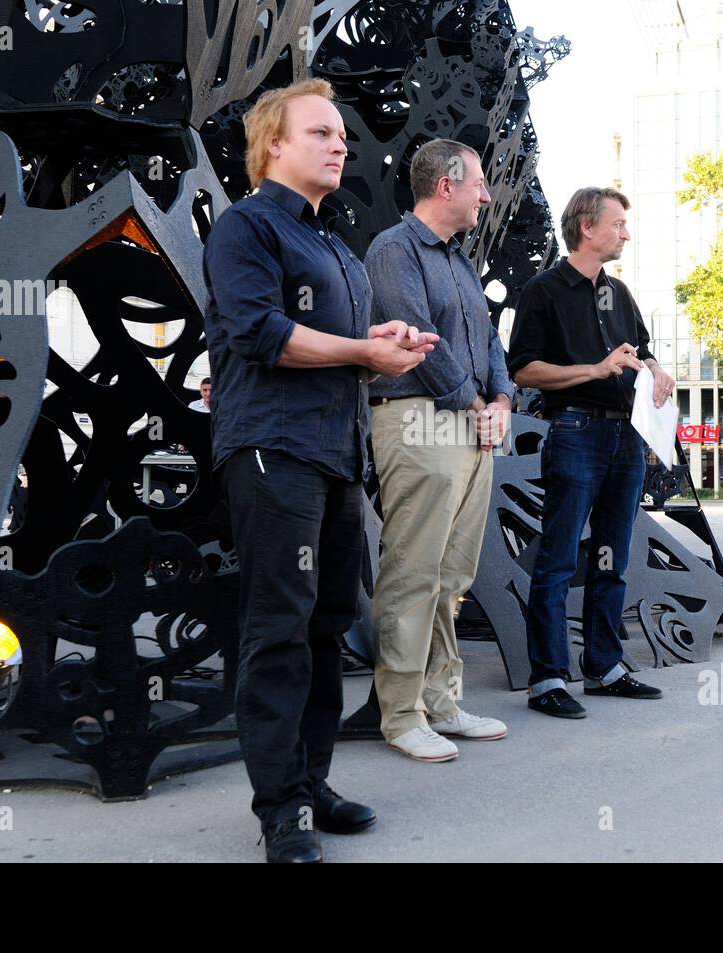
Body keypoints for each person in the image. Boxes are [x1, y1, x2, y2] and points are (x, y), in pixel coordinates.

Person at [202, 79, 437, 862]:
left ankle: (312, 781)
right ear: (274, 143)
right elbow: (263, 332)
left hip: (337, 454)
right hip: (273, 451)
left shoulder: (332, 243)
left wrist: (384, 340)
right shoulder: (245, 228)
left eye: (340, 135)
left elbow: (334, 348)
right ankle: (282, 811)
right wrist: (363, 350)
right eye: (321, 133)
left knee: (328, 625)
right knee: (278, 631)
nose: (340, 145)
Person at [365, 138, 513, 762]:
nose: (486, 194)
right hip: (421, 420)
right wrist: (476, 403)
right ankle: (400, 716)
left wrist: (502, 397)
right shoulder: (394, 250)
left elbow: (488, 341)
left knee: (452, 574)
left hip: (471, 426)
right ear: (446, 184)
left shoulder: (459, 261)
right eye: (478, 182)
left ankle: (441, 703)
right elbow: (421, 341)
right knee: (414, 571)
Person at [507, 186, 675, 718]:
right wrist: (596, 369)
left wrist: (657, 370)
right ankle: (548, 679)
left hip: (626, 436)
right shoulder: (544, 290)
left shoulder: (620, 294)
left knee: (612, 556)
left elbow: (641, 352)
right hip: (575, 430)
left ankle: (605, 668)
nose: (626, 232)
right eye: (619, 223)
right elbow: (524, 370)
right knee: (557, 559)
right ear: (586, 227)